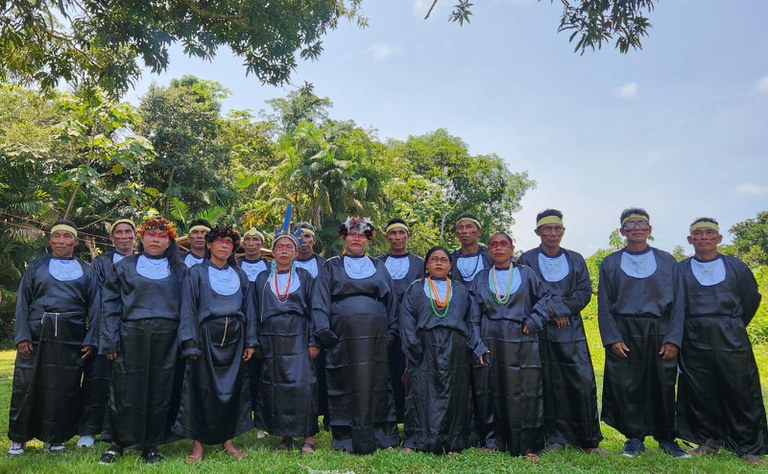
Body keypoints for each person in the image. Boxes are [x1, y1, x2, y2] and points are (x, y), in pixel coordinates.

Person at [597, 208, 688, 458]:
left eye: (642, 223)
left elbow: (679, 303)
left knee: (664, 384)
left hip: (660, 328)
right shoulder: (611, 262)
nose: (637, 227)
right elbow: (604, 304)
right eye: (631, 224)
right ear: (622, 231)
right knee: (628, 385)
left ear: (649, 230)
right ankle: (633, 438)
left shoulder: (667, 261)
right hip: (624, 330)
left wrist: (673, 338)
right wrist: (612, 337)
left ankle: (667, 438)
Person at [676, 217, 767, 465]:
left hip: (731, 338)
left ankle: (749, 447)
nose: (704, 237)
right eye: (698, 233)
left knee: (741, 391)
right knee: (700, 391)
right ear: (690, 239)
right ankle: (707, 442)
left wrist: (731, 323)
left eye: (709, 233)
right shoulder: (679, 270)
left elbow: (750, 299)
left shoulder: (737, 267)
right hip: (693, 337)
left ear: (719, 238)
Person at [98, 214, 186, 464]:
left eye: (162, 236)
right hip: (130, 336)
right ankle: (117, 443)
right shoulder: (124, 266)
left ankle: (152, 444)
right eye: (151, 235)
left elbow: (188, 308)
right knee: (124, 390)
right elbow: (110, 305)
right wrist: (110, 341)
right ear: (142, 237)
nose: (156, 239)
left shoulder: (180, 269)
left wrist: (185, 341)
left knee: (160, 391)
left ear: (169, 242)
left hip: (167, 340)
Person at [7, 220, 100, 456]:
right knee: (26, 385)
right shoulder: (36, 266)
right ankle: (19, 438)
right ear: (50, 240)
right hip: (37, 333)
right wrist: (22, 335)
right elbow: (23, 303)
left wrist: (91, 338)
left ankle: (54, 438)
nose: (61, 241)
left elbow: (96, 308)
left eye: (66, 237)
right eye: (56, 236)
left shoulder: (87, 270)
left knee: (63, 387)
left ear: (75, 241)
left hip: (71, 335)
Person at [518, 210, 604, 454]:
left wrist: (562, 308)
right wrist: (553, 311)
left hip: (571, 332)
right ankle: (553, 438)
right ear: (538, 232)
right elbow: (525, 292)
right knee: (545, 382)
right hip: (541, 331)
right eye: (547, 229)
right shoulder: (527, 259)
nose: (552, 234)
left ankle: (587, 440)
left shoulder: (576, 259)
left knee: (581, 381)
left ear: (563, 232)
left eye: (557, 229)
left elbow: (584, 292)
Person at [311, 217, 400, 453]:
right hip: (342, 338)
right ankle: (345, 438)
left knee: (378, 383)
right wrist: (323, 331)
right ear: (344, 238)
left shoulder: (380, 267)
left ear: (368, 240)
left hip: (375, 339)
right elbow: (320, 301)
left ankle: (382, 436)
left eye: (362, 235)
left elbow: (391, 302)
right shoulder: (331, 266)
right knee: (344, 383)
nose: (356, 239)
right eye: (352, 234)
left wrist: (392, 331)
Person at [174, 226, 254, 462]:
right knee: (202, 390)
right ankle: (198, 445)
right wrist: (190, 342)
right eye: (218, 241)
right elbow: (187, 309)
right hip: (205, 336)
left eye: (228, 242)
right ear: (209, 245)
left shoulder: (240, 276)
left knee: (231, 390)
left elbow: (248, 309)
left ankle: (228, 441)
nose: (223, 246)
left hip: (235, 339)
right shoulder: (196, 273)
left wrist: (251, 341)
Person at [468, 231, 550, 461]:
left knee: (525, 391)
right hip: (490, 339)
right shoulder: (481, 277)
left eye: (503, 244)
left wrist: (533, 321)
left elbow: (546, 298)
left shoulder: (527, 274)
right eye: (493, 245)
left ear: (512, 248)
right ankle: (492, 441)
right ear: (489, 250)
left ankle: (528, 445)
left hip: (522, 339)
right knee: (491, 390)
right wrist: (477, 344)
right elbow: (473, 315)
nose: (498, 248)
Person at [400, 246, 476, 454]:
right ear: (426, 266)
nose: (439, 262)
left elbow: (471, 320)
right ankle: (416, 440)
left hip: (455, 347)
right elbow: (407, 321)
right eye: (434, 259)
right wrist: (414, 349)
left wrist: (474, 346)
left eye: (444, 259)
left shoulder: (461, 290)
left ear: (450, 266)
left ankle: (453, 442)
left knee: (455, 393)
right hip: (424, 347)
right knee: (421, 393)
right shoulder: (415, 289)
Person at [252, 229, 318, 454]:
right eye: (279, 246)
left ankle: (308, 437)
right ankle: (285, 436)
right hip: (271, 339)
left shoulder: (306, 277)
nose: (283, 250)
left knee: (303, 386)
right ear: (272, 251)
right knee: (277, 388)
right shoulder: (262, 278)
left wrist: (314, 341)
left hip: (299, 335)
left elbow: (315, 311)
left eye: (288, 247)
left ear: (296, 252)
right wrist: (256, 340)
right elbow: (254, 312)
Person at [78, 218, 136, 448]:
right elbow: (98, 298)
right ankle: (89, 430)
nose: (123, 236)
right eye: (118, 232)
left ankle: (126, 429)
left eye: (128, 232)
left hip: (135, 329)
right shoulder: (101, 262)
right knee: (97, 379)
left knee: (130, 381)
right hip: (105, 326)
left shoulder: (144, 261)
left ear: (135, 236)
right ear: (111, 238)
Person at [377, 217, 424, 423]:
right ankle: (388, 417)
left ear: (408, 236)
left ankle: (413, 417)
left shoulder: (421, 264)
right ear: (386, 237)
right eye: (393, 233)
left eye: (401, 233)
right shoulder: (377, 263)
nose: (397, 237)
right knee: (386, 369)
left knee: (411, 369)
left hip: (412, 325)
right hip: (384, 324)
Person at [451, 213, 492, 283]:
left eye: (469, 227)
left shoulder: (491, 257)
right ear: (456, 234)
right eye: (460, 227)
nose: (464, 231)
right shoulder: (450, 259)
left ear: (479, 232)